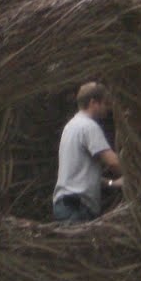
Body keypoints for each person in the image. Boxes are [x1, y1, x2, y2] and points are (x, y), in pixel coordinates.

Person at [52, 82, 122, 224]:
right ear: (93, 103)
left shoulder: (71, 127)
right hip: (76, 208)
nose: (108, 109)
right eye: (105, 104)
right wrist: (136, 174)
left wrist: (111, 183)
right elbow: (113, 162)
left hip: (67, 205)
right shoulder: (89, 127)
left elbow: (79, 175)